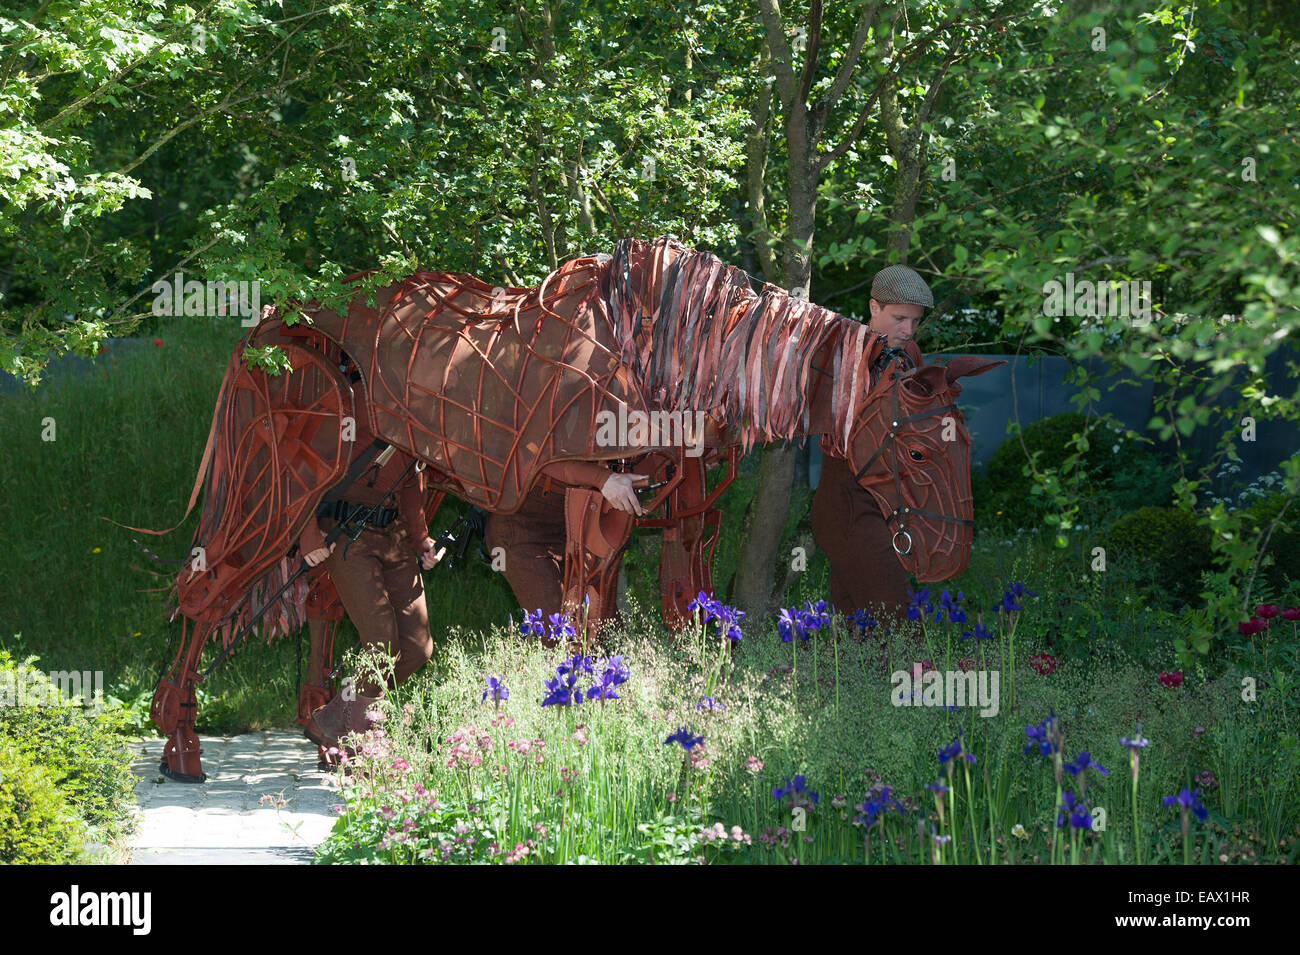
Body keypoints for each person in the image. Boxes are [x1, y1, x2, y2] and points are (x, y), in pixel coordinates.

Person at [298, 357, 441, 751]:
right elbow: (308, 465)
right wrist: (308, 530)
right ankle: (365, 747)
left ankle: (330, 719)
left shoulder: (420, 403)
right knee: (380, 641)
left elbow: (411, 477)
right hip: (348, 531)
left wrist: (421, 538)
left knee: (416, 647)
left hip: (394, 531)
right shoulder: (348, 397)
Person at [812, 263, 932, 632]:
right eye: (899, 318)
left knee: (852, 631)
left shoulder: (910, 356)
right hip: (847, 504)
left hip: (889, 508)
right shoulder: (842, 355)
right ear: (873, 308)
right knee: (899, 619)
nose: (908, 331)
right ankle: (910, 685)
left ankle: (844, 686)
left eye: (915, 321)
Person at [485, 460, 648, 638]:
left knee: (603, 633)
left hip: (573, 528)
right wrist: (603, 478)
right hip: (520, 531)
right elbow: (538, 456)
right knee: (562, 635)